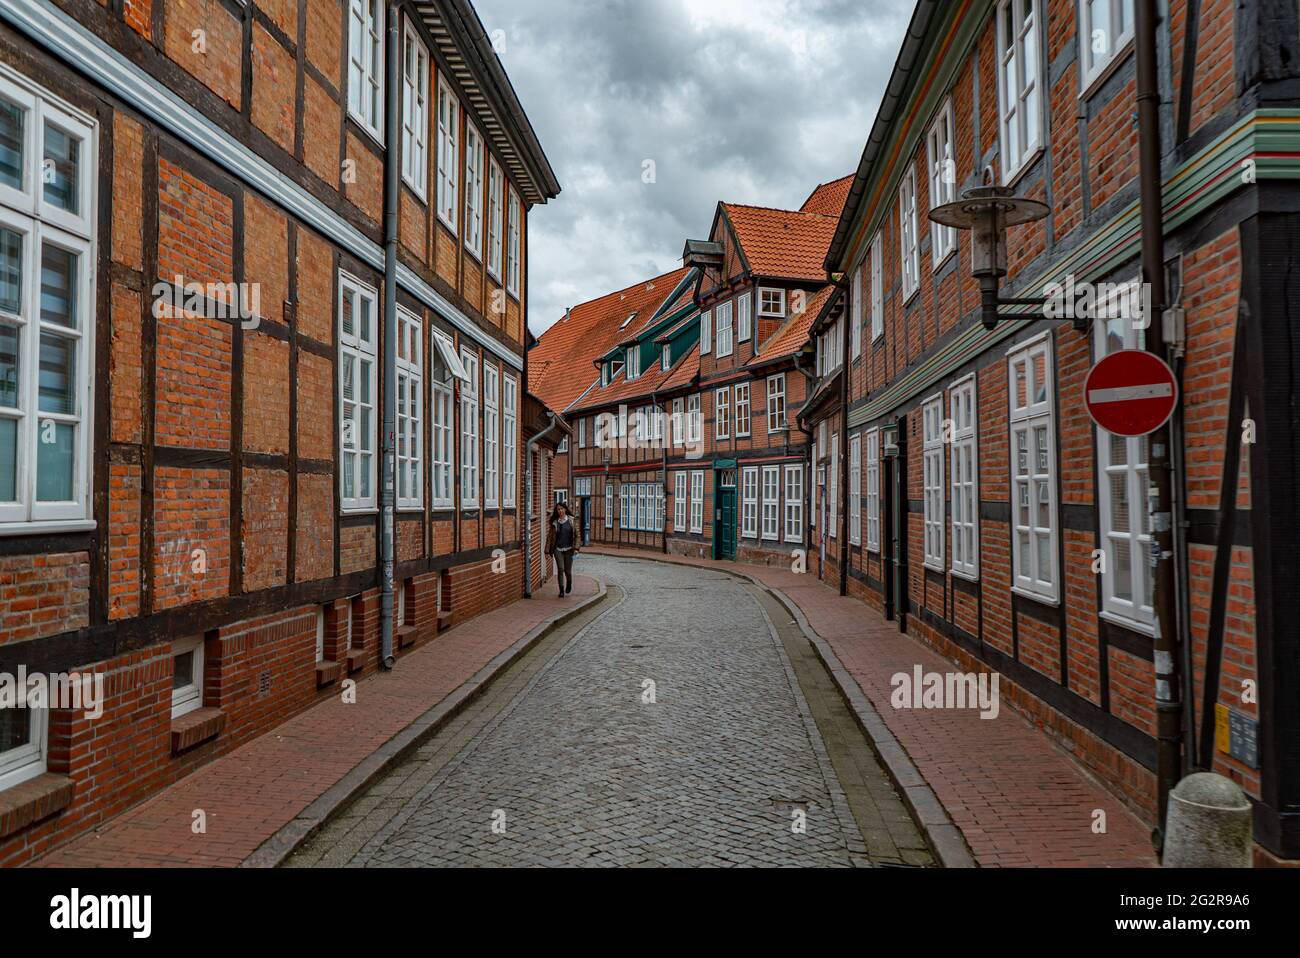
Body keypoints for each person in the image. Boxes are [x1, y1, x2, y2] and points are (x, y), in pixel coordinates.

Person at [545, 501, 579, 598]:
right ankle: (561, 590)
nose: (560, 511)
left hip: (569, 549)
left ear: (565, 509)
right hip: (558, 549)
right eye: (558, 509)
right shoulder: (555, 523)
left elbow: (577, 536)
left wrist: (576, 548)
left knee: (567, 571)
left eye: (562, 509)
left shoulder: (572, 520)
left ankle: (569, 582)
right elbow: (549, 538)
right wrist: (547, 551)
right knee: (561, 568)